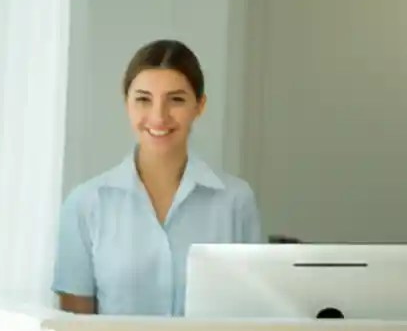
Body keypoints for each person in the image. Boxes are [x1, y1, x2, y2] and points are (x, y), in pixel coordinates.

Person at [53, 39, 264, 316]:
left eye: (176, 100)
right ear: (126, 104)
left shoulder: (235, 202)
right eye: (143, 99)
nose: (158, 116)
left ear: (199, 105)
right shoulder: (86, 204)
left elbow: (253, 314)